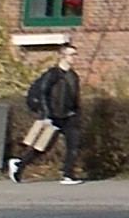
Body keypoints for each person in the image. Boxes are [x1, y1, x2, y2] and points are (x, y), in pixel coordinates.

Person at [9, 45, 83, 183]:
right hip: (54, 116)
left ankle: (68, 175)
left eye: (75, 54)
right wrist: (47, 114)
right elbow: (43, 93)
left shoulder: (73, 76)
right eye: (71, 54)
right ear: (62, 56)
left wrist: (77, 113)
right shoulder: (53, 74)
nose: (74, 58)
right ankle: (19, 164)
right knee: (43, 147)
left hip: (70, 116)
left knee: (74, 145)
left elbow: (74, 97)